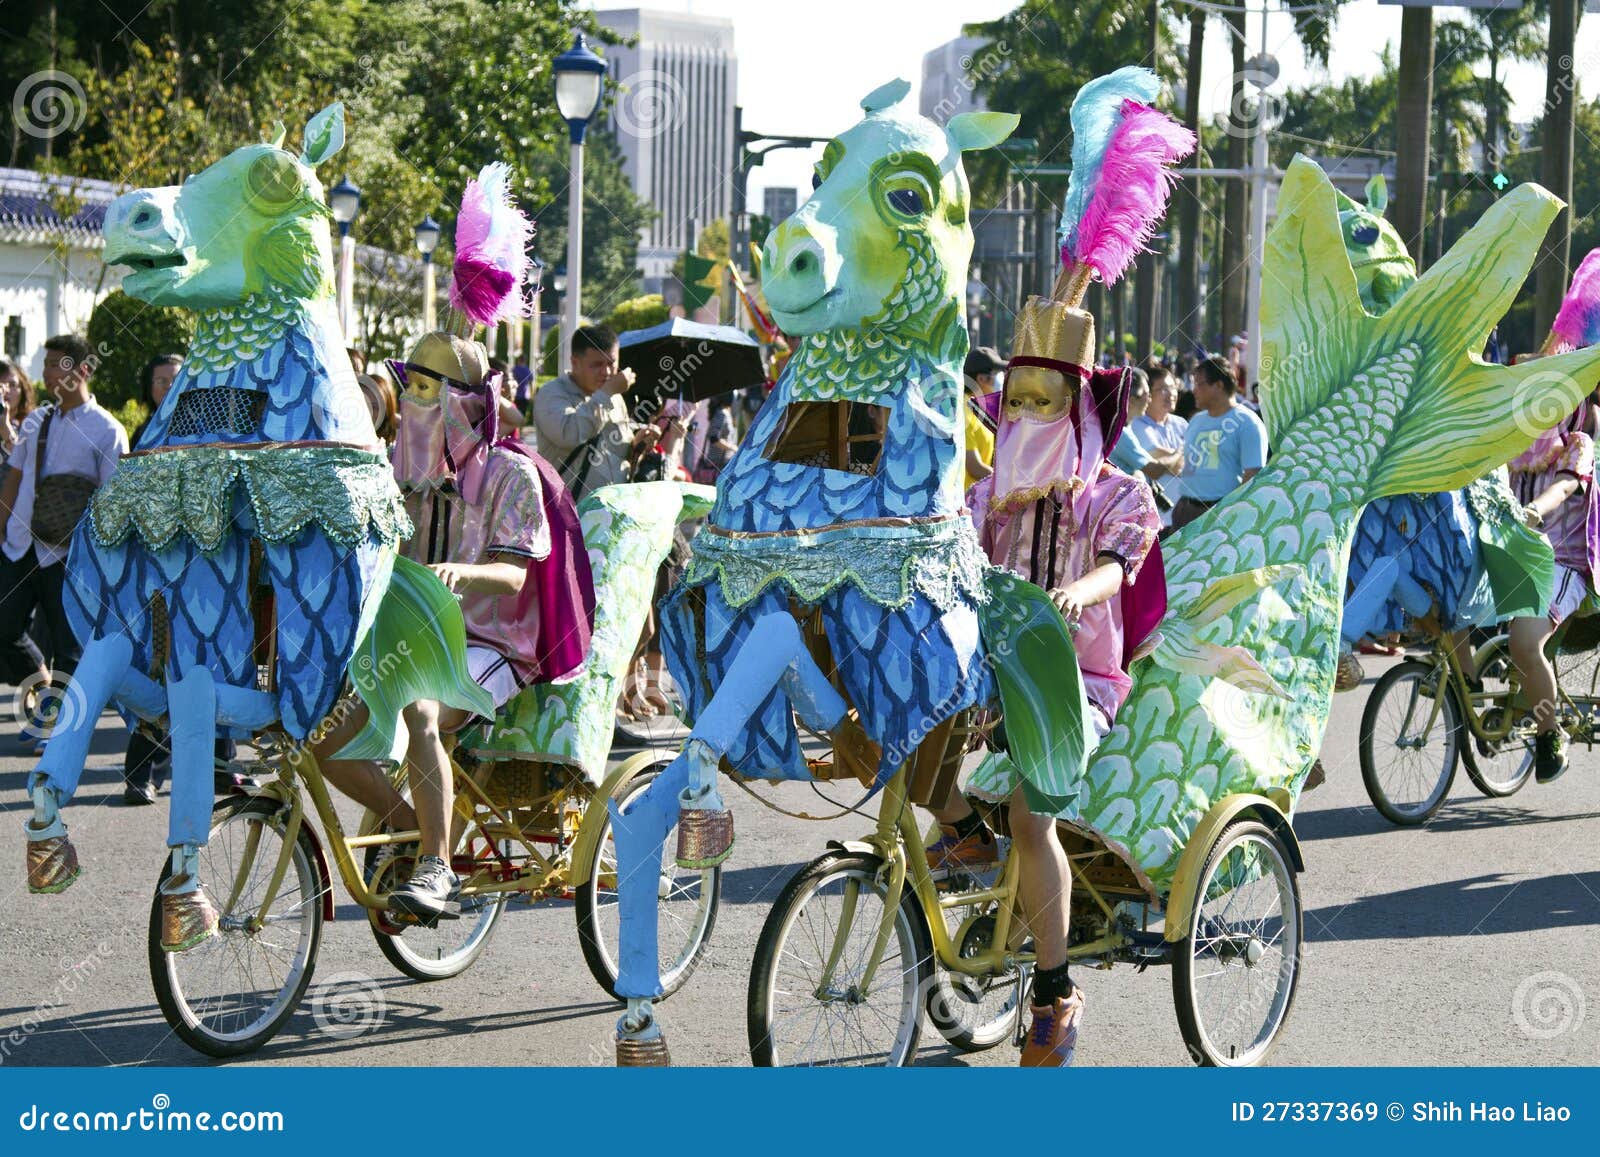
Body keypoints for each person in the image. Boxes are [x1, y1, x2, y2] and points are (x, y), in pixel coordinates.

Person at [933, 353, 1161, 1067]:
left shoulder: (1118, 492)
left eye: (1046, 400)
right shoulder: (989, 493)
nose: (1027, 414)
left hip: (1077, 679)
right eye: (1018, 399)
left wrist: (1080, 593)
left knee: (1033, 818)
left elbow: (1118, 566)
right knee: (908, 755)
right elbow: (953, 554)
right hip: (993, 670)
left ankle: (1055, 992)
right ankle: (970, 834)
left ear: (1082, 410)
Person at [313, 331, 589, 918]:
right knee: (321, 737)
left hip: (491, 641)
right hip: (405, 637)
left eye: (424, 388)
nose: (411, 401)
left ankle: (437, 868)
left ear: (462, 402)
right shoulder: (395, 469)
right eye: (408, 385)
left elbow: (515, 578)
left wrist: (460, 573)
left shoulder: (511, 472)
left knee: (421, 705)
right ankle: (416, 832)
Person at [0, 335, 128, 746]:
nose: (47, 373)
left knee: (68, 647)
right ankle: (42, 687)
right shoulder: (36, 421)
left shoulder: (107, 429)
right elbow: (14, 480)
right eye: (46, 364)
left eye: (57, 364)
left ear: (83, 370)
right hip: (20, 545)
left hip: (70, 554)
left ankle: (56, 729)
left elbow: (113, 499)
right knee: (4, 628)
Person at [1506, 403, 1598, 783]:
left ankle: (1549, 734)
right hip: (1511, 556)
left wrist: (1531, 510)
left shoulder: (1578, 444)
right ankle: (1463, 687)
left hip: (1561, 563)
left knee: (1525, 643)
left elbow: (1562, 487)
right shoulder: (1510, 444)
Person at [532, 325, 652, 500]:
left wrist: (638, 445)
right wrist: (606, 394)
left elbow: (619, 453)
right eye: (597, 365)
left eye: (612, 363)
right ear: (575, 362)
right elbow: (571, 435)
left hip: (612, 513)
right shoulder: (551, 394)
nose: (607, 372)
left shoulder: (614, 397)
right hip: (568, 515)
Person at [1170, 353, 1267, 530]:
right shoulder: (1196, 420)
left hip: (1221, 515)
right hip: (1185, 511)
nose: (1194, 390)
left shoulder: (1247, 423)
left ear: (1219, 385)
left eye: (1199, 384)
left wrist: (1233, 516)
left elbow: (1252, 477)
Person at [1131, 360, 1187, 523]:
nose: (1170, 394)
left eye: (1172, 387)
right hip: (1156, 519)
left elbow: (1197, 461)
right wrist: (1183, 451)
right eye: (1162, 389)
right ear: (1147, 394)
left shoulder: (1181, 423)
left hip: (1183, 515)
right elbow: (1159, 464)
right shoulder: (1135, 425)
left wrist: (1173, 458)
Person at [962, 346, 1003, 490]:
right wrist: (1007, 483)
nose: (1001, 379)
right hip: (966, 502)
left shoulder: (979, 408)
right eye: (997, 374)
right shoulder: (964, 410)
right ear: (981, 378)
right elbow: (974, 467)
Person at [0, 357, 38, 456]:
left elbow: (29, 463)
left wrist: (7, 431)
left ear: (23, 390)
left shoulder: (34, 424)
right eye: (0, 385)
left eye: (12, 384)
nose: (6, 390)